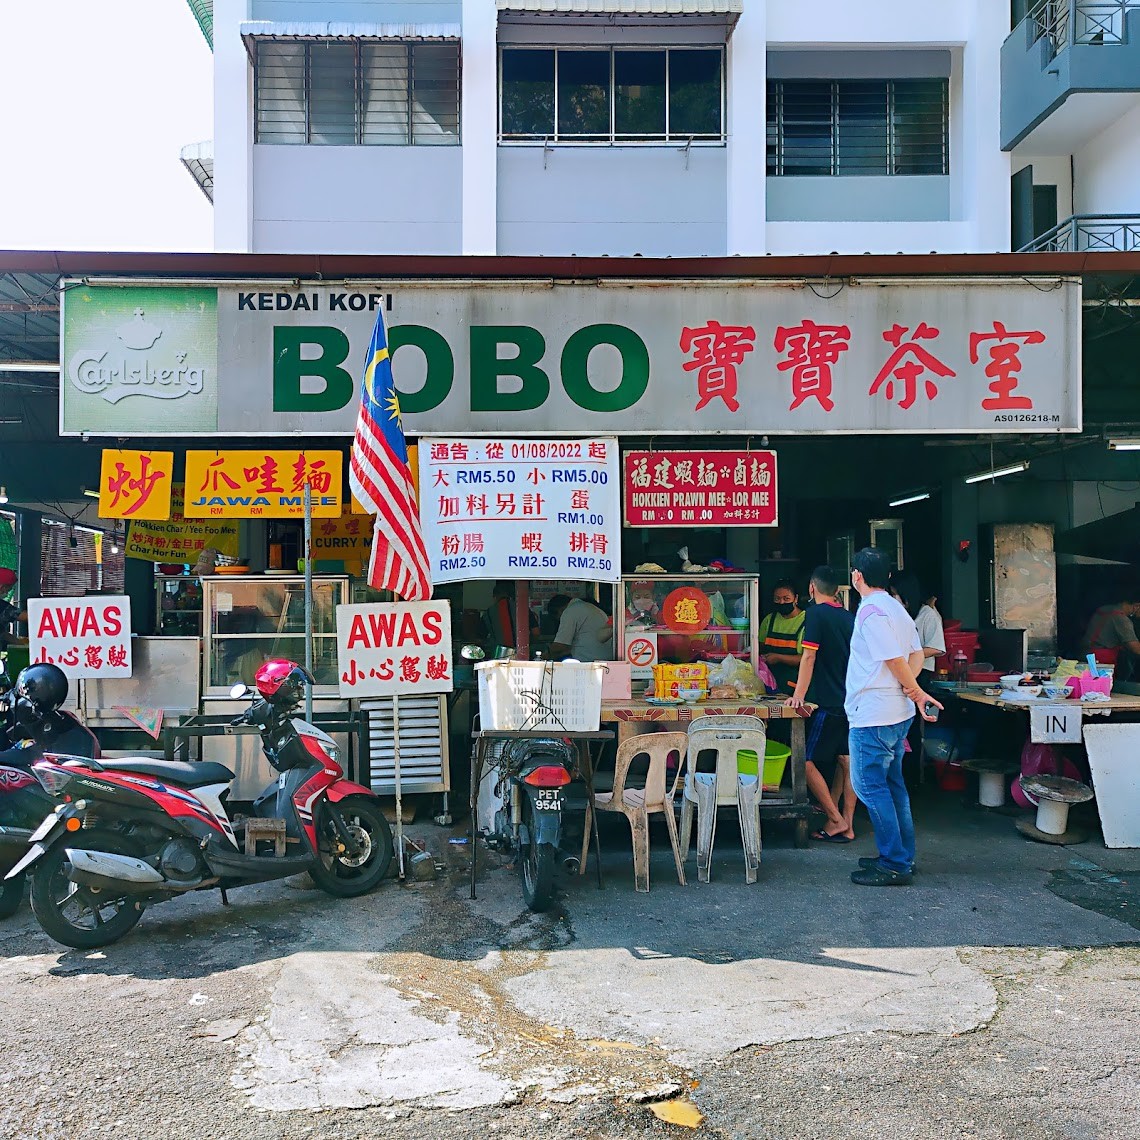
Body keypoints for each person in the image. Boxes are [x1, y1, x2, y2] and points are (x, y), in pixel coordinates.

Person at [846, 547, 941, 887]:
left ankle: (894, 863)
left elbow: (893, 659)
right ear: (886, 576)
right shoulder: (896, 608)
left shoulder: (871, 611)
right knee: (892, 786)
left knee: (869, 787)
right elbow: (916, 653)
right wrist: (911, 689)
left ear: (856, 575)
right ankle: (902, 855)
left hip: (874, 714)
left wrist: (913, 691)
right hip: (894, 713)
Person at [786, 565, 857, 842]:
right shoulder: (849, 617)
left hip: (827, 701)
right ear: (837, 591)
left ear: (811, 589)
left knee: (803, 761)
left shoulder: (814, 614)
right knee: (846, 761)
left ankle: (835, 819)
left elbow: (809, 657)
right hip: (850, 700)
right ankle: (848, 825)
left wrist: (799, 695)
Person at [889, 571, 945, 676]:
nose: (892, 598)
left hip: (922, 671)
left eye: (894, 594)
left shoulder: (928, 614)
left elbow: (936, 648)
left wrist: (911, 655)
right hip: (900, 668)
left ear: (906, 594)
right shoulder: (897, 615)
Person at [757, 581, 805, 696]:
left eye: (786, 598)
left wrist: (778, 657)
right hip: (768, 683)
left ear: (796, 598)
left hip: (794, 684)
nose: (781, 602)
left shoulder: (806, 621)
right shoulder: (769, 620)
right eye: (777, 599)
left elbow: (806, 658)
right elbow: (759, 647)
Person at [1080, 595, 1140, 681]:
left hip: (1084, 652)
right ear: (1137, 606)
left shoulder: (1103, 609)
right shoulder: (1121, 619)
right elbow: (1135, 648)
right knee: (1102, 685)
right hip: (1100, 658)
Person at [548, 594, 613, 663]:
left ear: (560, 610)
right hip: (606, 659)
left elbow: (560, 645)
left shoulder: (570, 611)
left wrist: (545, 654)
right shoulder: (589, 607)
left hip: (589, 661)